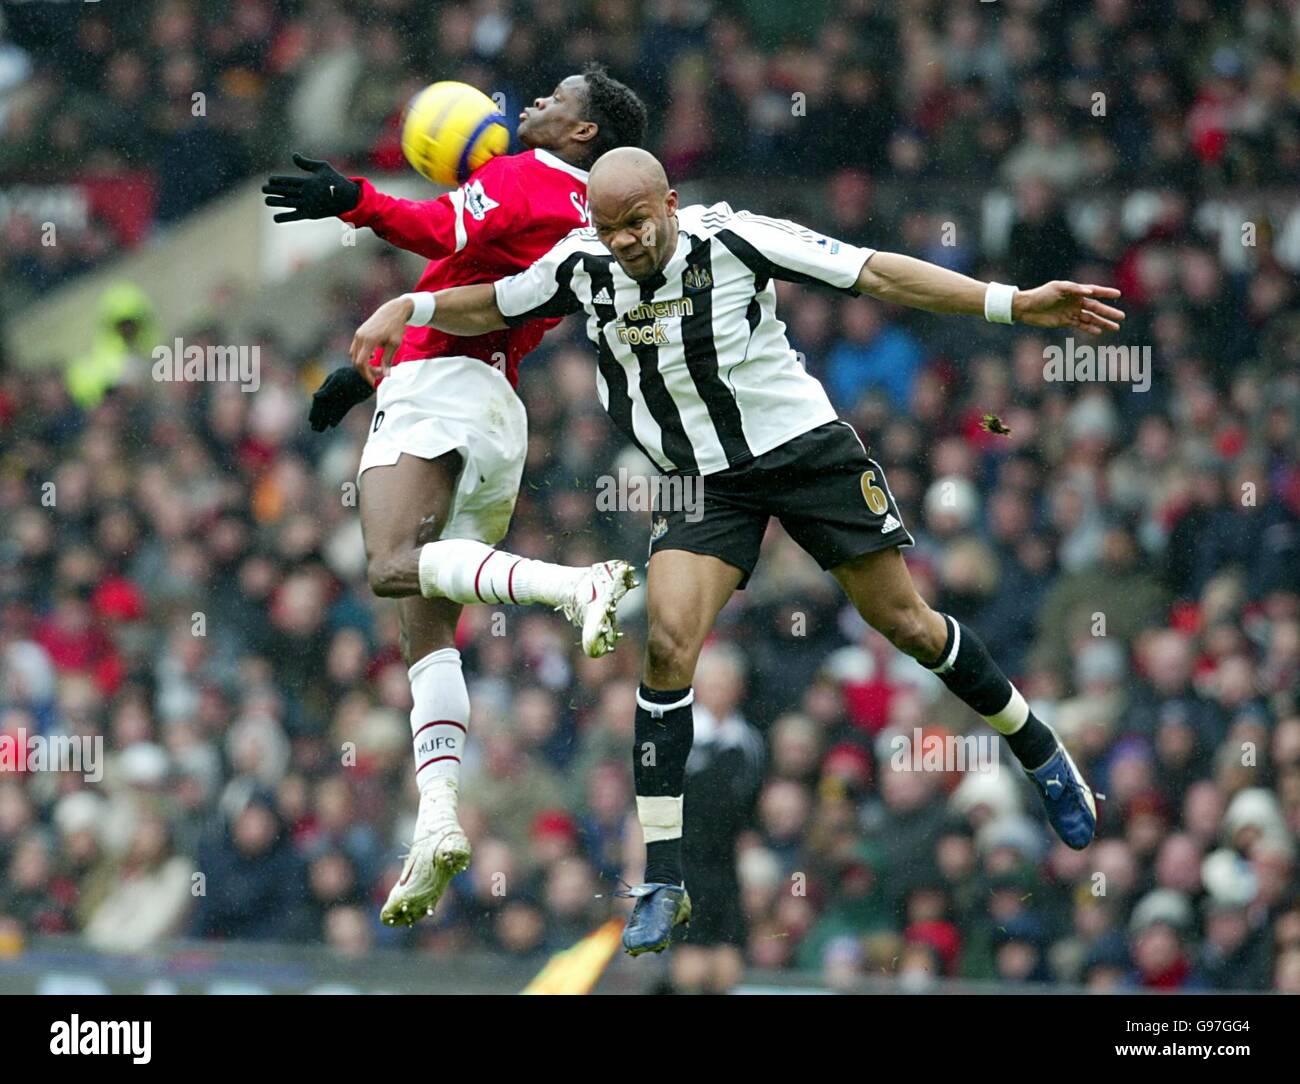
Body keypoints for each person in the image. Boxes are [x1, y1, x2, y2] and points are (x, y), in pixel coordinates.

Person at [348, 146, 1125, 955]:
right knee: (667, 646)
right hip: (700, 484)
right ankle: (662, 878)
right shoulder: (581, 265)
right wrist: (414, 306)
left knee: (908, 624)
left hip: (802, 454)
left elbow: (874, 273)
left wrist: (1012, 304)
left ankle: (1036, 745)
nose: (625, 242)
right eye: (610, 229)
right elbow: (497, 303)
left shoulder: (735, 238)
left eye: (637, 223)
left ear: (670, 205)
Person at [261, 66, 647, 928]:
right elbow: (476, 286)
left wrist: (353, 198)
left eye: (557, 99)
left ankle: (574, 584)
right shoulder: (589, 217)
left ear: (585, 133)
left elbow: (437, 228)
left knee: (391, 565)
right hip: (495, 409)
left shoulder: (523, 174)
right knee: (427, 629)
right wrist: (371, 373)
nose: (535, 104)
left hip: (442, 389)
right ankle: (436, 821)